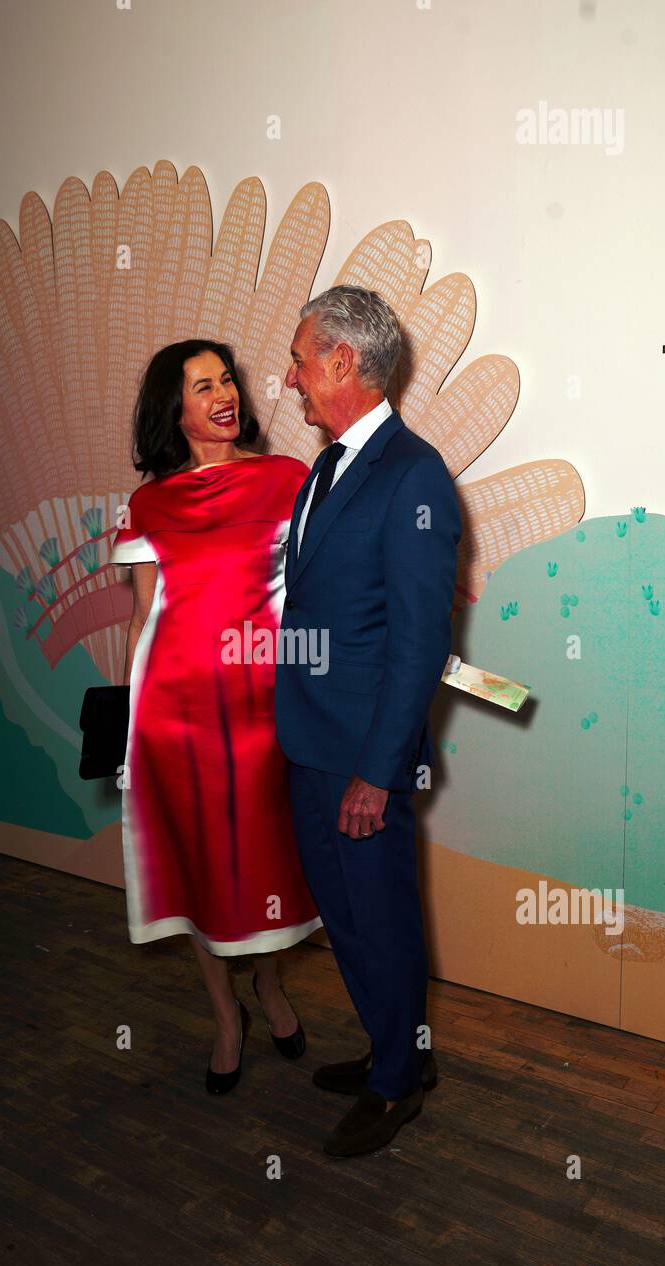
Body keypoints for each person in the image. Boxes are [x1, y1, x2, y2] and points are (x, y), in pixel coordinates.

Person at [275, 285, 462, 1158]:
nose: (291, 376)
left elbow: (419, 644)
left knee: (379, 917)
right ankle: (394, 1046)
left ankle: (400, 1083)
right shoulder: (324, 468)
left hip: (362, 759)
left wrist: (378, 772)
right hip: (309, 742)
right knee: (344, 917)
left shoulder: (416, 475)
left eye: (302, 357)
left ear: (344, 362)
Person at [109, 340, 322, 1095]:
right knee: (197, 868)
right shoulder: (149, 504)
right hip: (176, 716)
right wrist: (127, 730)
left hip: (263, 712)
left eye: (226, 379)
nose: (224, 394)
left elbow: (315, 597)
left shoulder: (288, 480)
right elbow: (142, 620)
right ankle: (225, 1017)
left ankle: (269, 987)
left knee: (269, 860)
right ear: (176, 409)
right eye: (204, 386)